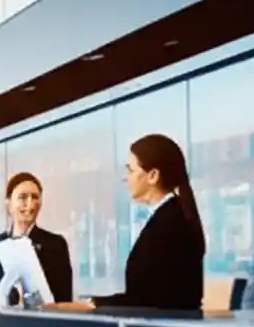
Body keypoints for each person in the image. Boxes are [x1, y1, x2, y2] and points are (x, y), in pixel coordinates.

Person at [48, 134, 205, 312]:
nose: (126, 178)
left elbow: (151, 301)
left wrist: (91, 305)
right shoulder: (169, 217)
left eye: (131, 170)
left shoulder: (170, 225)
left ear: (152, 176)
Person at [0, 172, 74, 304]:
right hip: (1, 322)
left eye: (35, 197)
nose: (30, 204)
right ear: (8, 203)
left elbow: (63, 298)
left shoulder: (55, 244)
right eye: (23, 197)